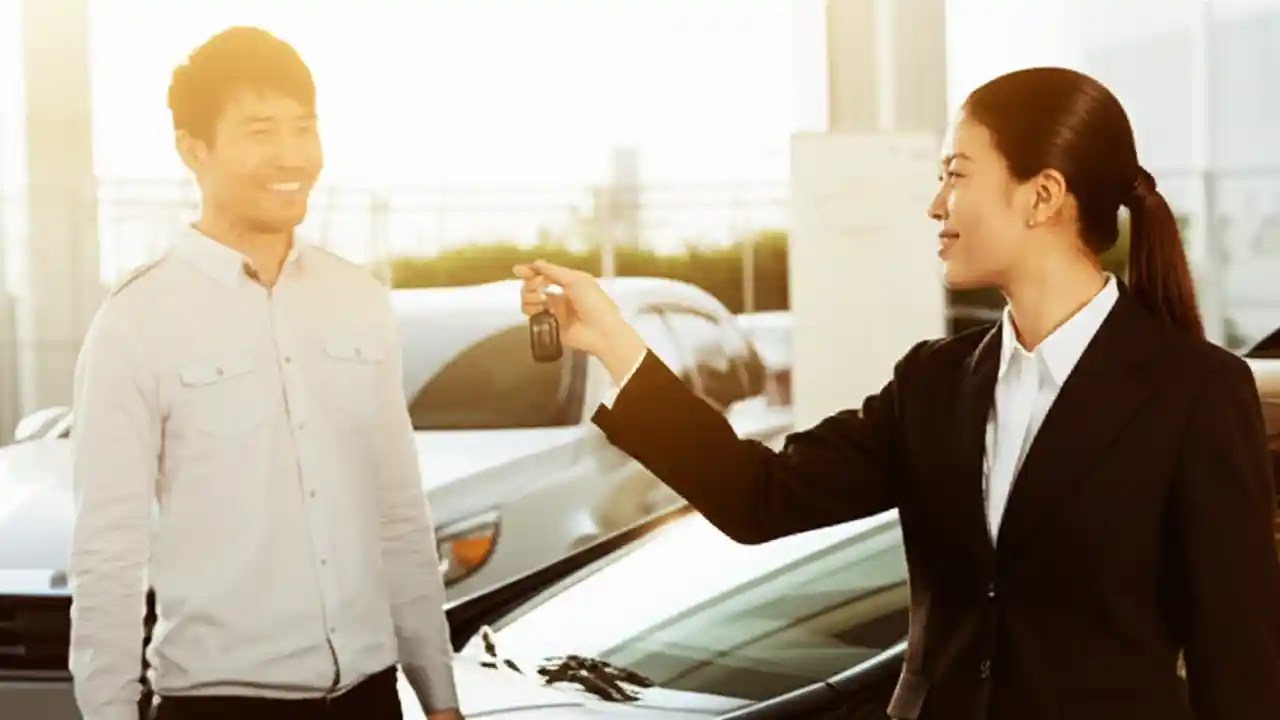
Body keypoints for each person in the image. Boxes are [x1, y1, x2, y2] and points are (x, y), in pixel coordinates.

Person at [515, 67, 1280, 719]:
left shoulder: (1197, 394)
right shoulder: (936, 383)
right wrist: (614, 343)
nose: (935, 205)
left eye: (955, 173)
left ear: (1042, 195)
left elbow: (1236, 667)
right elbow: (762, 498)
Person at [69, 27, 463, 720]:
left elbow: (400, 516)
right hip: (218, 704)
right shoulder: (136, 322)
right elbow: (109, 552)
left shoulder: (361, 302)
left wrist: (440, 697)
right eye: (260, 130)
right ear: (195, 151)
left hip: (372, 699)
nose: (292, 155)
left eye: (303, 128)